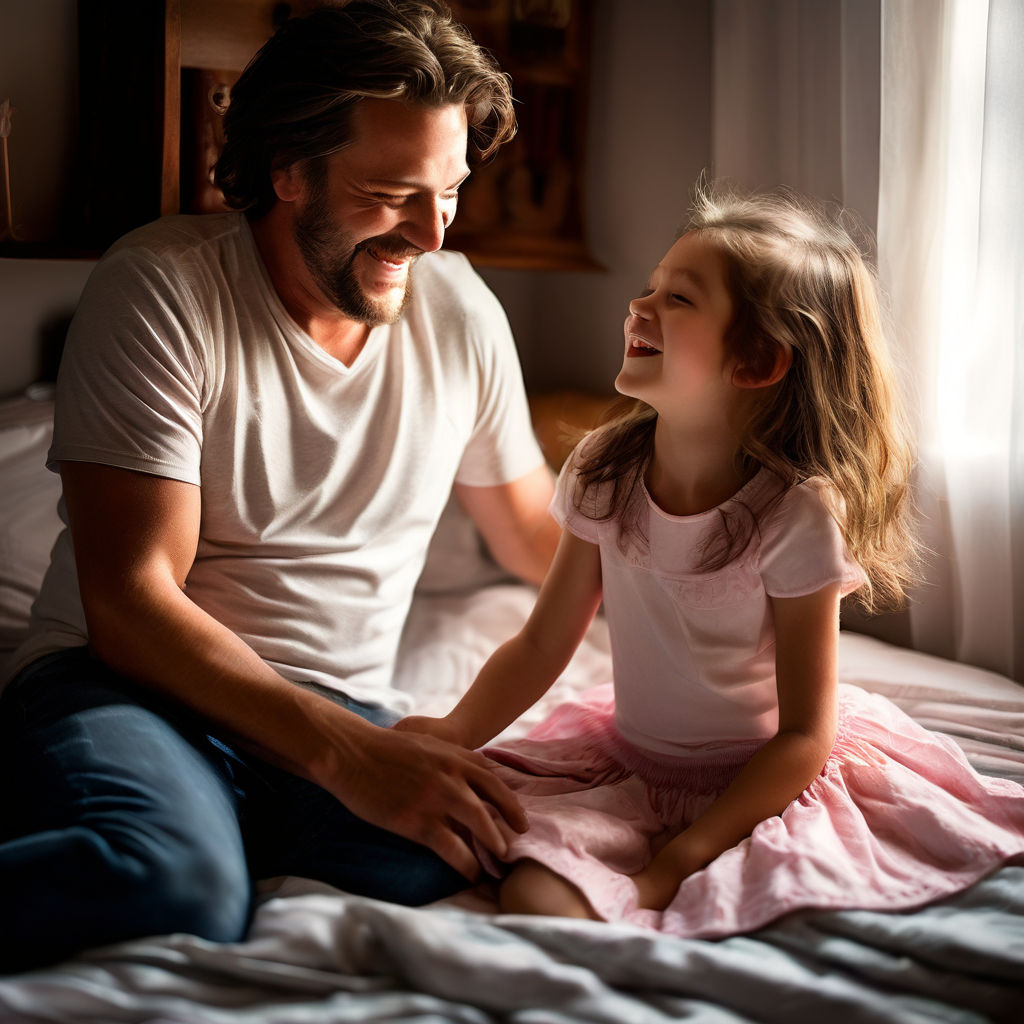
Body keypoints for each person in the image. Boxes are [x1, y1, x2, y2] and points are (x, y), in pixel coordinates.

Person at [0, 0, 561, 972]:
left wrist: (719, 595)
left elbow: (531, 536)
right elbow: (131, 604)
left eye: (449, 192)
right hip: (130, 687)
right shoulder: (164, 287)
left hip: (341, 701)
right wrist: (348, 758)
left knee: (505, 851)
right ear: (286, 170)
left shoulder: (461, 313)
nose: (431, 234)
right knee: (169, 883)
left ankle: (208, 819)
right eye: (390, 194)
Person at [396, 183, 1024, 933]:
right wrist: (454, 732)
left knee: (714, 893)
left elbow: (804, 736)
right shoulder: (601, 469)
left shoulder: (795, 513)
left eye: (679, 299)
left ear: (756, 361)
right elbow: (540, 646)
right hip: (630, 760)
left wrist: (681, 859)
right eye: (650, 287)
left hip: (758, 779)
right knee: (528, 888)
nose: (639, 306)